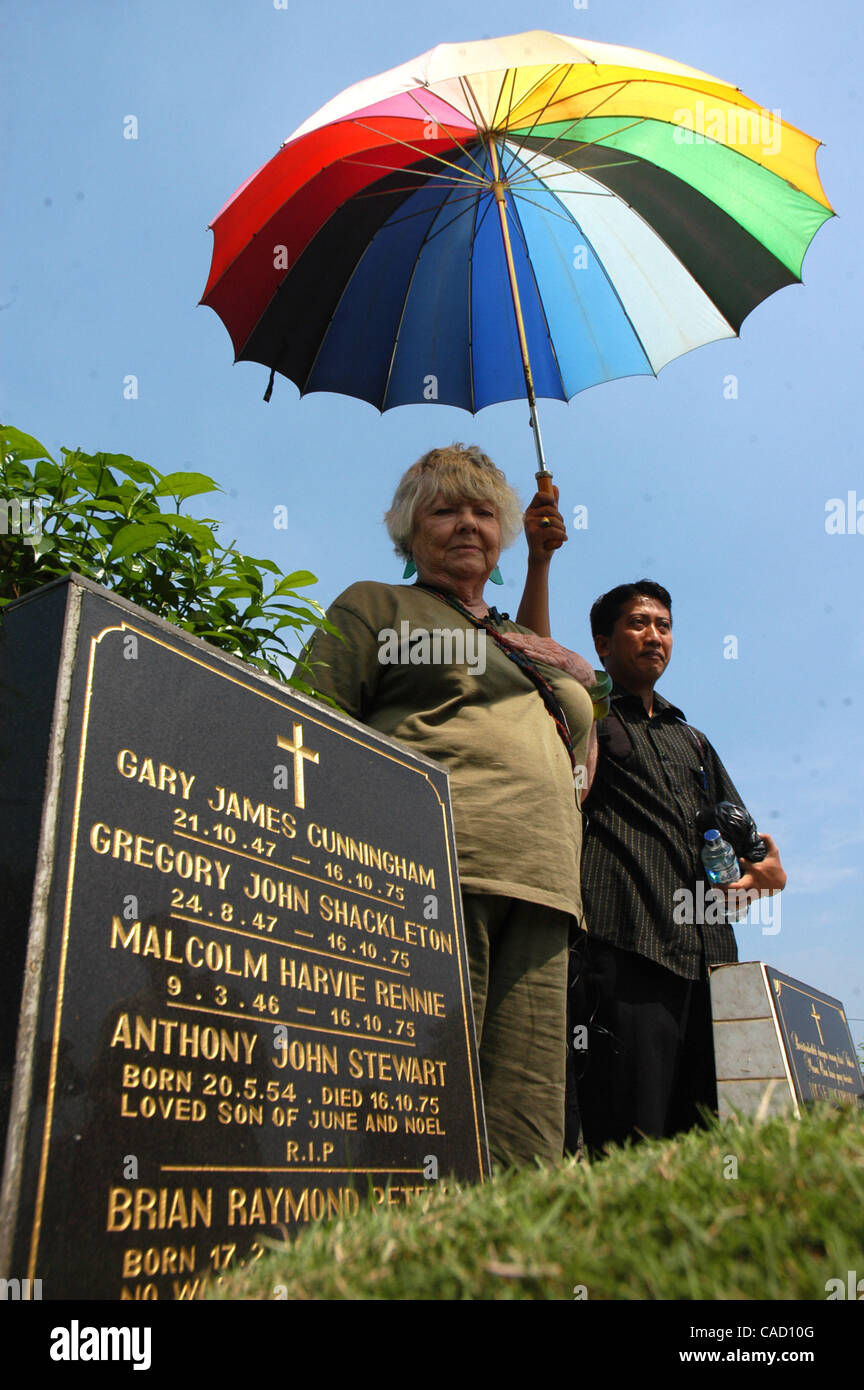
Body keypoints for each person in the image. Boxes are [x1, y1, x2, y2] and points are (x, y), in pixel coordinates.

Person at [300, 444, 597, 1167]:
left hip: (546, 884)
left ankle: (514, 1270)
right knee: (421, 1098)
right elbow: (305, 723)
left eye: (483, 511)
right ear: (409, 530)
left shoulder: (527, 645)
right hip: (429, 872)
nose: (467, 524)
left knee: (525, 1122)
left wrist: (582, 679)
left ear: (504, 534)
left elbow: (580, 763)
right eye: (444, 509)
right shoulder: (376, 604)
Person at [566, 581, 787, 1151]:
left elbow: (743, 838)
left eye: (663, 625)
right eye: (638, 623)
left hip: (711, 959)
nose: (655, 636)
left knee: (712, 1131)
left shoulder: (693, 739)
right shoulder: (587, 720)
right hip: (627, 947)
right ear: (603, 644)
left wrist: (765, 872)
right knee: (631, 1133)